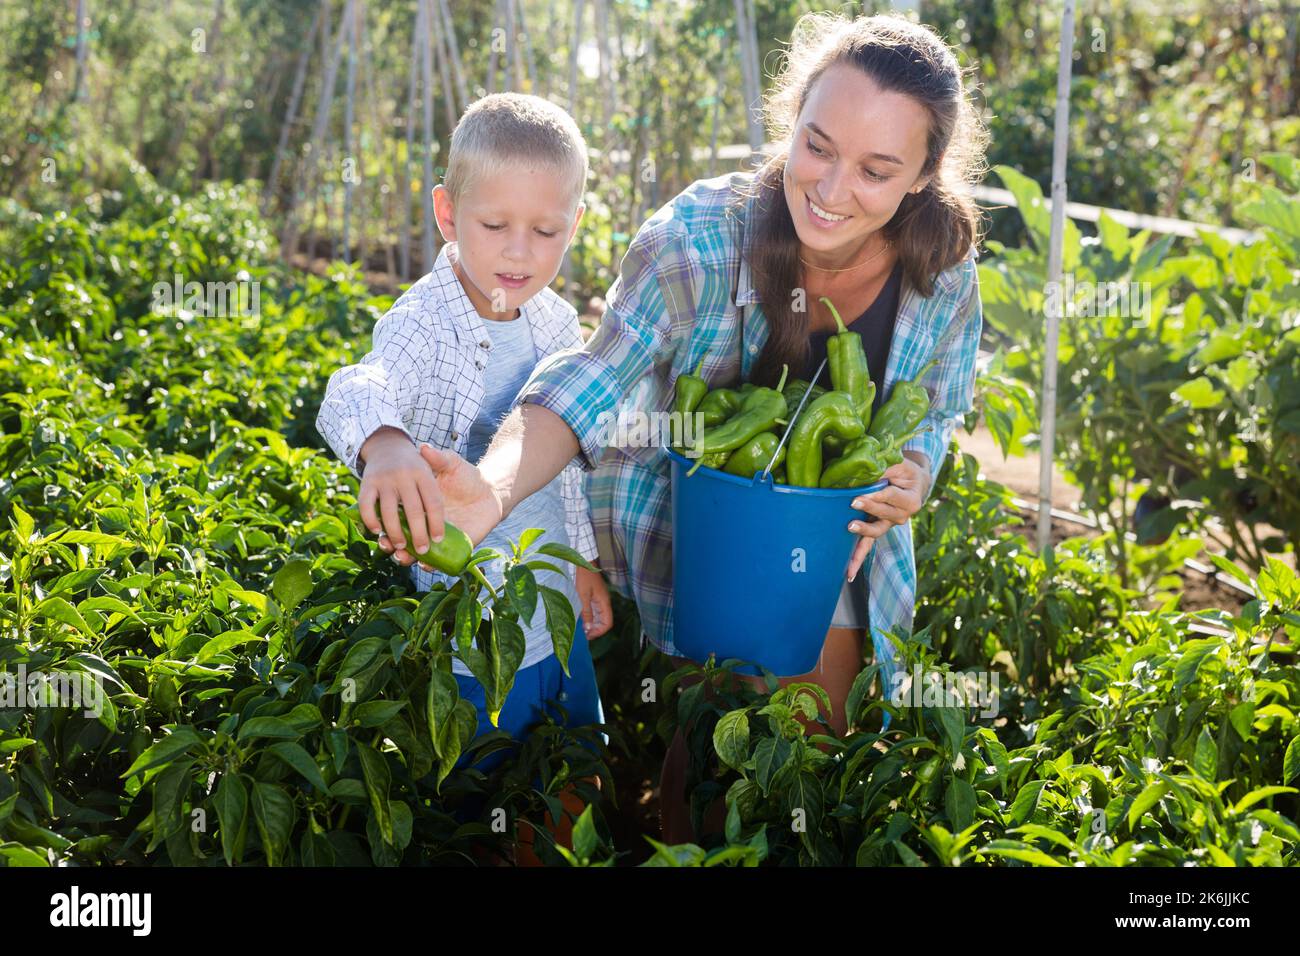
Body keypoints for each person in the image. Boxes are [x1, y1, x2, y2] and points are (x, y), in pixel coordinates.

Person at [382, 13, 988, 843]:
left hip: (834, 531)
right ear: (791, 122)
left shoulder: (943, 272)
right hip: (701, 525)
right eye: (818, 147)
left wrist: (914, 471)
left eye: (877, 170)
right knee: (711, 726)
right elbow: (594, 379)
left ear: (923, 176)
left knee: (810, 738)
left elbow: (936, 406)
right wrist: (490, 489)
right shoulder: (699, 237)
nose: (833, 188)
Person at [315, 92, 614, 785]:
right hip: (468, 633)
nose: (519, 252)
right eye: (494, 224)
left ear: (575, 225)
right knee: (485, 787)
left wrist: (582, 561)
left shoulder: (556, 324)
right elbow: (356, 386)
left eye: (546, 232)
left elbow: (562, 457)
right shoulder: (424, 321)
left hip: (551, 609)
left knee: (573, 776)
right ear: (448, 213)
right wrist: (385, 444)